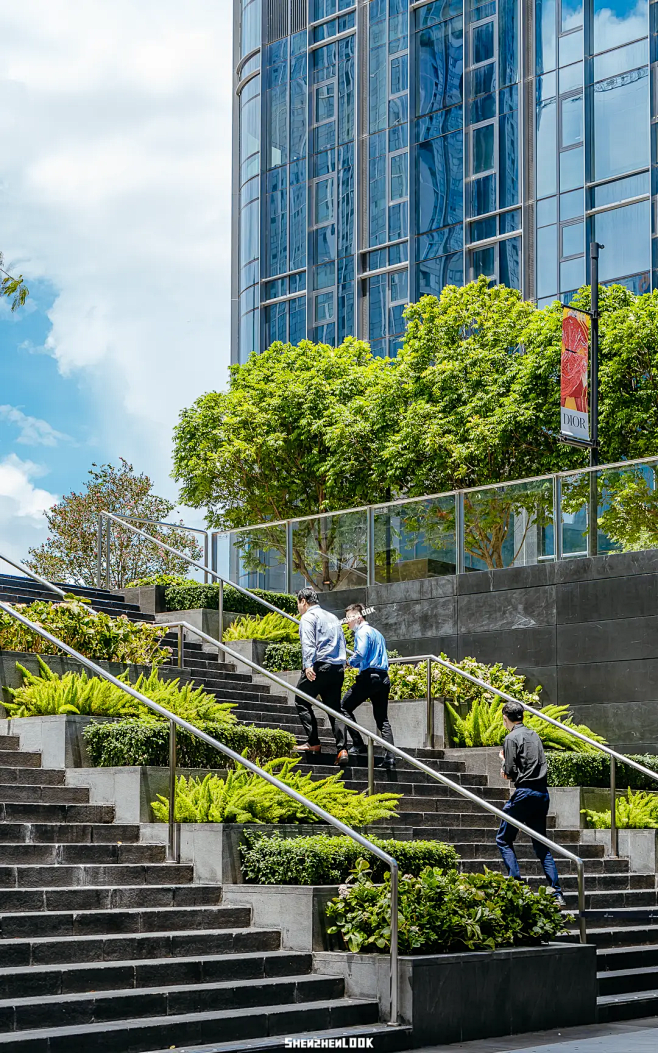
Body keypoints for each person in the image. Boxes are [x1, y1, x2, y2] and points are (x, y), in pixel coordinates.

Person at [496, 700, 566, 907]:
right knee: (541, 844)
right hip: (542, 794)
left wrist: (503, 761)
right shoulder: (534, 735)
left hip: (524, 794)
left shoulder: (510, 738)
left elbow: (508, 773)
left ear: (505, 718)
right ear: (523, 717)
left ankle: (516, 885)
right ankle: (557, 893)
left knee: (503, 839)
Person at [335, 602, 395, 770]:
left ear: (358, 617)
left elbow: (360, 654)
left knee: (343, 707)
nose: (346, 622)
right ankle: (390, 757)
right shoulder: (378, 633)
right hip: (383, 678)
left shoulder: (362, 632)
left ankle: (358, 743)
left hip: (369, 677)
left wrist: (348, 663)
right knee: (382, 719)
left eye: (348, 618)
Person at [292, 586, 346, 755]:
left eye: (298, 604)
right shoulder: (332, 617)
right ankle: (342, 750)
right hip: (337, 669)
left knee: (301, 700)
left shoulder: (308, 617)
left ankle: (313, 742)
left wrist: (308, 665)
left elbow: (308, 643)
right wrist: (342, 663)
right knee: (334, 709)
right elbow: (342, 642)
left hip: (319, 667)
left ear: (303, 601)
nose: (298, 608)